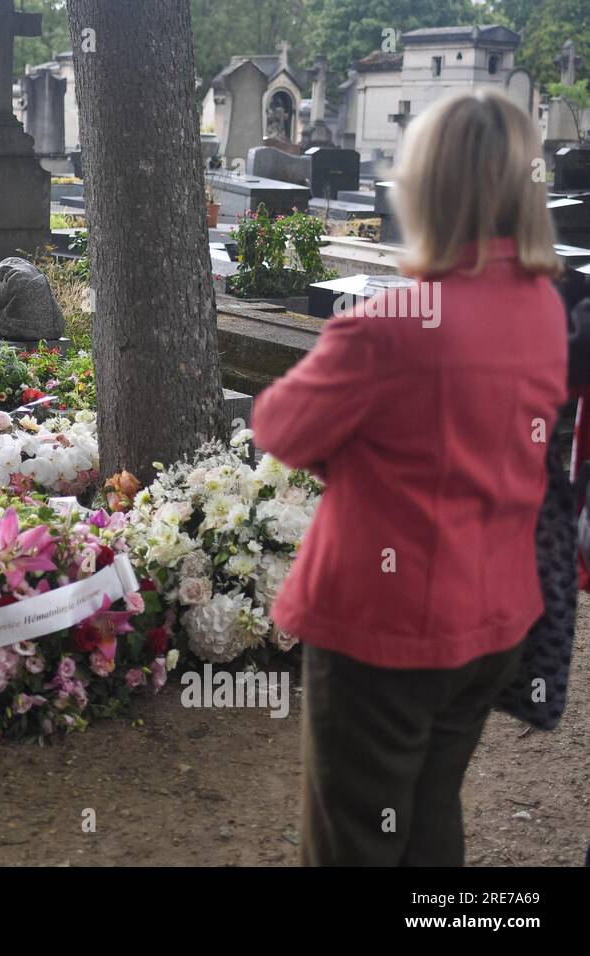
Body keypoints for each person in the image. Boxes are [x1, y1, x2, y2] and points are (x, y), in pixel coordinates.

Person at [251, 89, 567, 866]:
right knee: (430, 812)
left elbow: (279, 428)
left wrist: (351, 451)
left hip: (385, 628)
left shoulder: (388, 328)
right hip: (493, 616)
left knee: (353, 830)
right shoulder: (544, 309)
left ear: (428, 189)